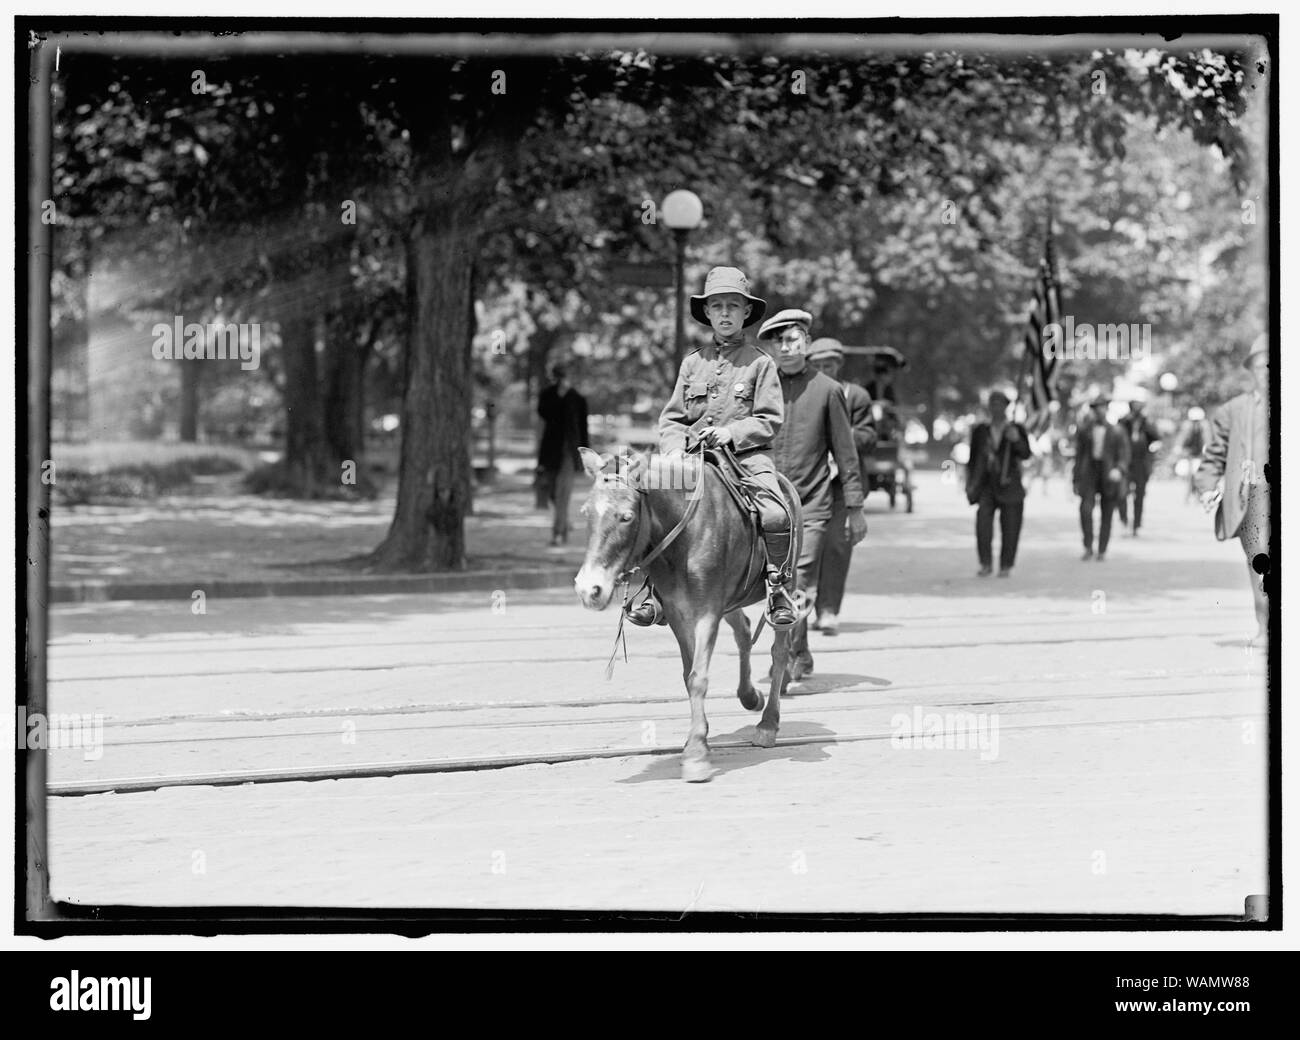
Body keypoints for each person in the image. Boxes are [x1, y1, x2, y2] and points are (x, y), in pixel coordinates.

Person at [624, 267, 797, 628]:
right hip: (693, 460)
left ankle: (778, 588)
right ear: (707, 313)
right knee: (650, 504)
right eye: (717, 306)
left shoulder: (761, 364)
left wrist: (732, 433)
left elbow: (769, 418)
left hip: (746, 458)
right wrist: (673, 451)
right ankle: (652, 591)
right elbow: (672, 419)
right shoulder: (692, 363)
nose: (725, 313)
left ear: (746, 312)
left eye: (733, 306)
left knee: (775, 514)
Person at [756, 315, 867, 679]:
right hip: (765, 501)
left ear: (806, 342)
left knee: (799, 581)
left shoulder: (828, 390)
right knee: (773, 580)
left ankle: (783, 658)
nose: (786, 348)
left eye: (794, 340)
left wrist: (854, 508)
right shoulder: (760, 386)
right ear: (771, 347)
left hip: (813, 504)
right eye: (779, 342)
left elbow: (846, 453)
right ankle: (799, 649)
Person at [1194, 334, 1270, 643]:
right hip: (1253, 498)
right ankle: (1266, 628)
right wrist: (1207, 485)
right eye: (1262, 365)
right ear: (1252, 370)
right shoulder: (1233, 410)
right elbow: (1214, 454)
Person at [807, 337, 877, 634]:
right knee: (808, 546)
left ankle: (828, 610)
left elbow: (869, 437)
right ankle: (800, 610)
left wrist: (841, 433)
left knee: (837, 544)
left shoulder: (856, 395)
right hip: (810, 479)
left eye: (829, 365)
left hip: (842, 483)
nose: (824, 370)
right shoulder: (804, 393)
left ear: (839, 365)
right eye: (818, 365)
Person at [964, 390, 1032, 577]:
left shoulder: (1015, 428)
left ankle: (1006, 565)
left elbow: (1026, 454)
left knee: (1011, 528)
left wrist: (1016, 440)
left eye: (999, 404)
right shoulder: (980, 431)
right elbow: (973, 459)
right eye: (992, 404)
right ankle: (985, 563)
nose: (996, 408)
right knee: (983, 525)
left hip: (1009, 483)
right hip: (987, 484)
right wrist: (970, 483)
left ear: (1005, 407)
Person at [536, 364, 589, 546]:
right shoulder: (547, 395)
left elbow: (583, 428)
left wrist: (584, 456)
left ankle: (557, 533)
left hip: (569, 452)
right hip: (550, 451)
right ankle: (564, 523)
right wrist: (559, 396)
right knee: (551, 492)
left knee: (562, 493)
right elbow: (543, 413)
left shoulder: (577, 399)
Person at [1073, 395, 1130, 561]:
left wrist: (1119, 469)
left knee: (1107, 512)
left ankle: (1102, 548)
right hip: (1089, 472)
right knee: (1085, 510)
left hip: (1108, 474)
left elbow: (1124, 454)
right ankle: (1088, 546)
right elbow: (1079, 455)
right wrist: (1076, 478)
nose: (1099, 411)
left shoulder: (1117, 430)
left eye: (1102, 407)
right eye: (1096, 408)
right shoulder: (1085, 430)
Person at [1118, 396, 1162, 535]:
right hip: (1126, 463)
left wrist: (1145, 423)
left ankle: (1136, 524)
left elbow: (1156, 436)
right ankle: (1124, 520)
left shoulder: (1146, 422)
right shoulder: (1124, 421)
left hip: (1141, 463)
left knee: (1140, 495)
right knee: (1122, 493)